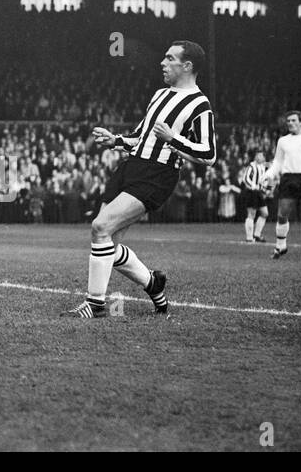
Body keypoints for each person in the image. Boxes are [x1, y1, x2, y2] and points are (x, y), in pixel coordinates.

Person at [64, 41, 216, 319]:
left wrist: (174, 139)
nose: (162, 62)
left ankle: (95, 304)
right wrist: (116, 140)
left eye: (170, 58)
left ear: (187, 66)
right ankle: (153, 283)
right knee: (107, 240)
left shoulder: (199, 104)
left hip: (158, 174)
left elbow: (209, 153)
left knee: (100, 226)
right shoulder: (160, 94)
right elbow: (140, 135)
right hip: (131, 166)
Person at [267, 111, 301, 261]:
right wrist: (269, 174)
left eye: (293, 120)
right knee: (282, 214)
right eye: (288, 121)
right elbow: (278, 162)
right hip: (288, 178)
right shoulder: (283, 141)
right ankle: (281, 246)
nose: (290, 123)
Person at [239, 151, 269, 243]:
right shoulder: (252, 166)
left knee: (265, 213)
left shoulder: (263, 167)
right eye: (257, 155)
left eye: (260, 155)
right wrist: (253, 187)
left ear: (264, 158)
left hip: (259, 192)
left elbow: (267, 179)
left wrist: (265, 189)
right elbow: (246, 178)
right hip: (251, 192)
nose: (258, 157)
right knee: (251, 214)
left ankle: (257, 235)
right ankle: (249, 238)